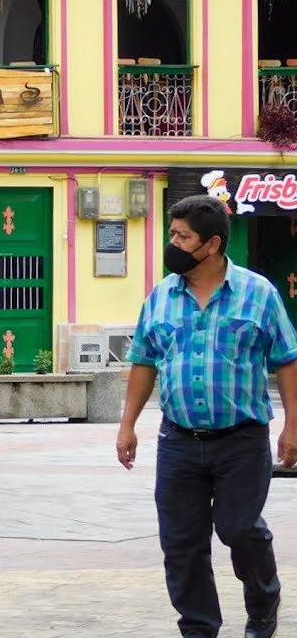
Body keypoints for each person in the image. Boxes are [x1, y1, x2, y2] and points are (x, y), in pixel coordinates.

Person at [117, 194, 297, 638]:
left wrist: (293, 426)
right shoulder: (161, 296)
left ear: (212, 244)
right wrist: (127, 425)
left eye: (182, 236)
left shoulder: (258, 294)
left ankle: (263, 596)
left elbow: (288, 359)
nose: (172, 244)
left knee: (238, 528)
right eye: (172, 234)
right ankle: (198, 628)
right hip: (178, 440)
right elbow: (143, 360)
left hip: (242, 440)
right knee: (181, 545)